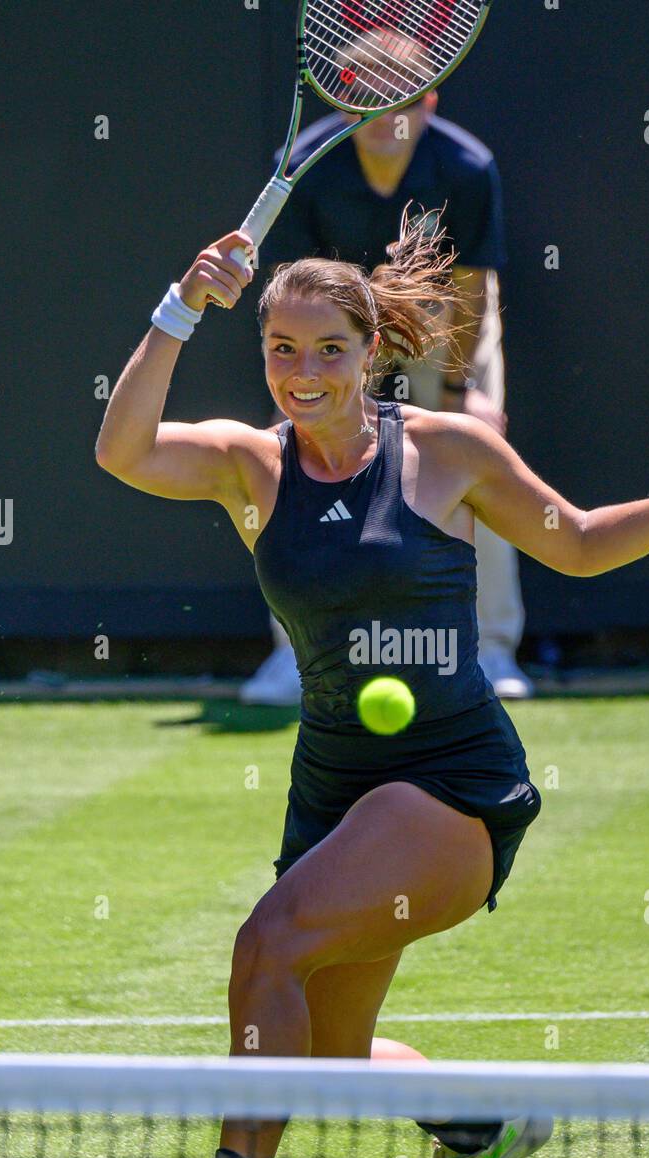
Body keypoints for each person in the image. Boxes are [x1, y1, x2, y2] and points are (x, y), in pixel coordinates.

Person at [95, 212, 649, 1158]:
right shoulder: (252, 469)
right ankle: (483, 1117)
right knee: (327, 1062)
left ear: (368, 350)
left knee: (269, 941)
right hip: (332, 797)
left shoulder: (445, 453)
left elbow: (571, 543)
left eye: (327, 349)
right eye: (279, 350)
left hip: (455, 790)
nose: (302, 372)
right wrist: (178, 305)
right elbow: (121, 450)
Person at [240, 88, 535, 705]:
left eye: (396, 101)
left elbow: (472, 289)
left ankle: (492, 648)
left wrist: (461, 392)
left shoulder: (465, 167)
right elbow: (289, 299)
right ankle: (297, 655)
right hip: (332, 327)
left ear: (427, 103)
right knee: (287, 458)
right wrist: (300, 393)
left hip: (442, 317)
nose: (380, 117)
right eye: (362, 100)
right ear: (341, 104)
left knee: (479, 454)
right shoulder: (305, 162)